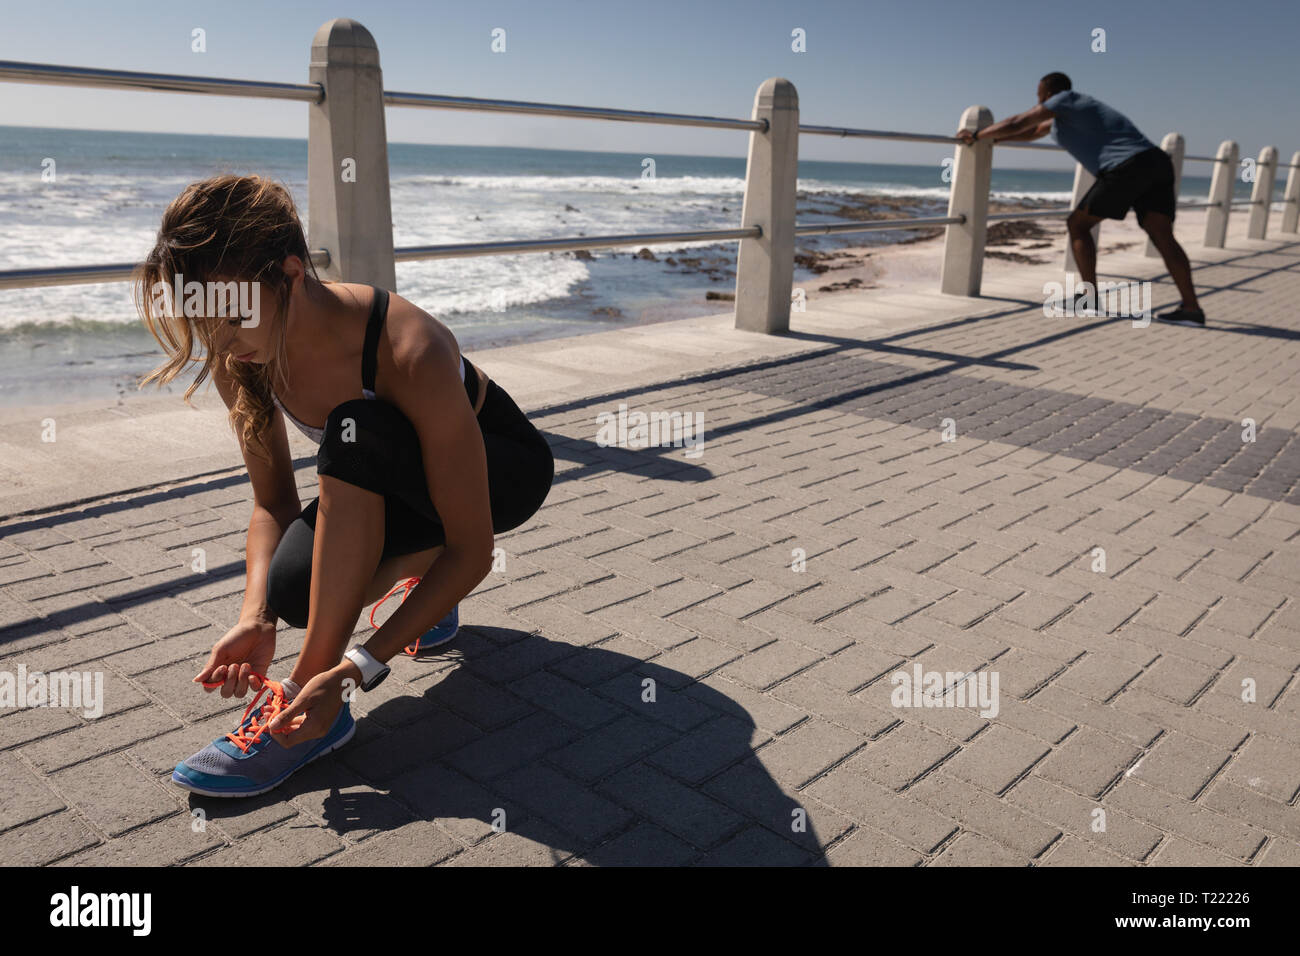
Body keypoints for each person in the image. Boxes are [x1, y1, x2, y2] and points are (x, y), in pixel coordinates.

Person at [134, 174, 555, 797]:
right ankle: (421, 592)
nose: (219, 340)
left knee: (356, 430)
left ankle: (307, 704)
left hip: (501, 475)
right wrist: (258, 618)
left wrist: (356, 665)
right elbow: (272, 503)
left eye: (232, 316)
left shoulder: (407, 347)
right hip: (391, 482)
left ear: (291, 273)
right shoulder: (242, 352)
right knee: (291, 589)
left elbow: (475, 549)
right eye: (203, 318)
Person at [957, 72, 1206, 327]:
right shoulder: (1068, 115)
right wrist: (996, 139)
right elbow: (1031, 131)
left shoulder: (1065, 99)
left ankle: (1089, 298)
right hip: (1156, 162)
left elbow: (1018, 121)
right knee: (1162, 235)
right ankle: (1192, 309)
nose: (1038, 99)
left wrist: (978, 136)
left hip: (1128, 167)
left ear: (1048, 93)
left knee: (1078, 225)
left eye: (1038, 94)